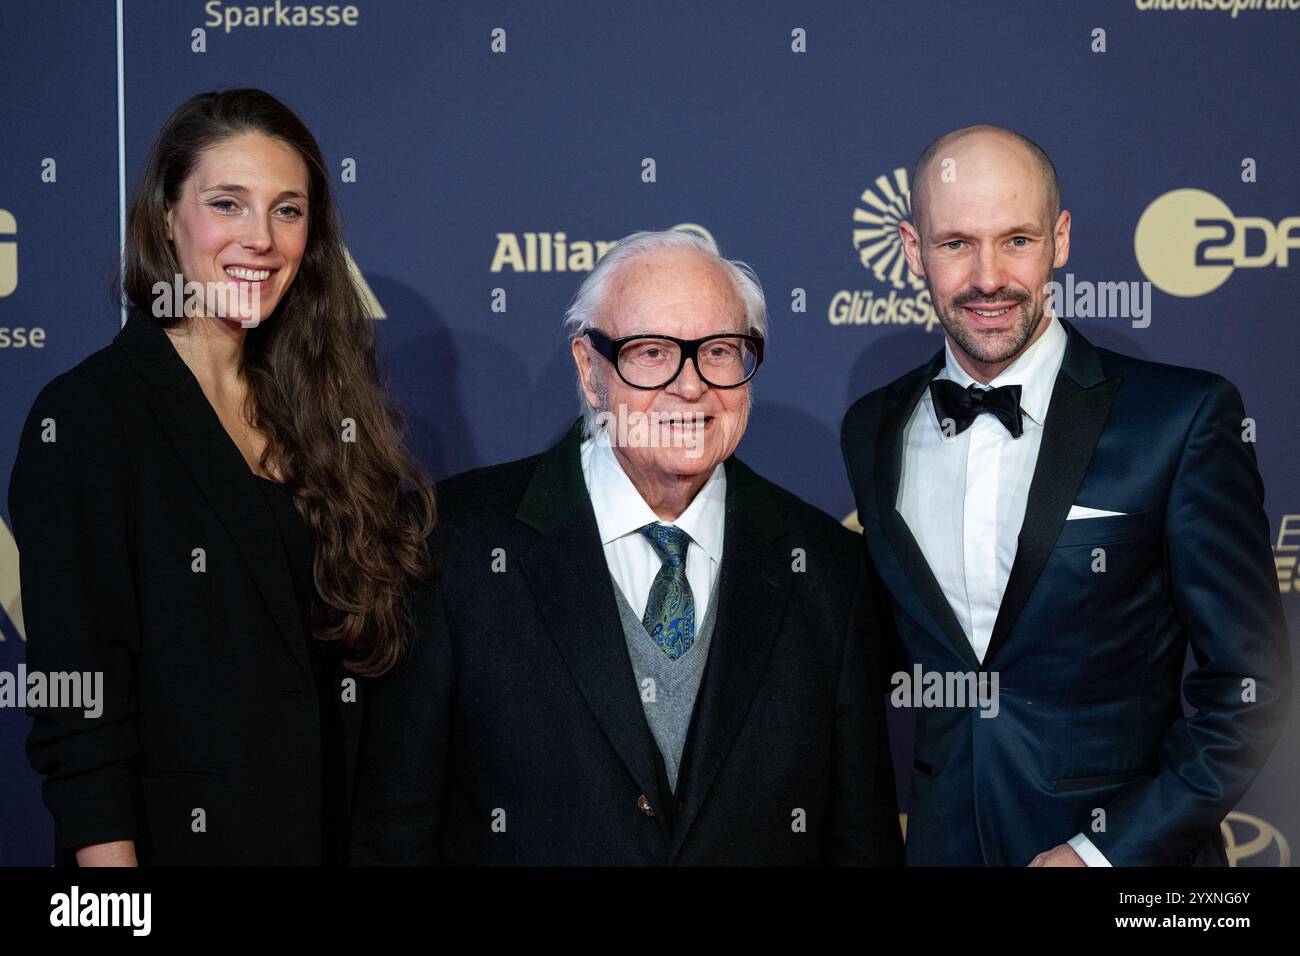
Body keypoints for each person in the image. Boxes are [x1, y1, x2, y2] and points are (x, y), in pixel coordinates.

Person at [351, 230, 902, 865]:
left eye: (719, 351)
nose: (690, 386)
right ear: (590, 370)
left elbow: (863, 846)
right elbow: (394, 834)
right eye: (651, 352)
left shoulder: (829, 569)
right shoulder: (453, 545)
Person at [841, 125, 1291, 866]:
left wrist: (1102, 853)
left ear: (1062, 238)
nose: (989, 277)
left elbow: (1252, 686)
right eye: (956, 243)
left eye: (1016, 240)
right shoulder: (873, 429)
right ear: (911, 248)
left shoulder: (1180, 419)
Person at [9, 88, 435, 866]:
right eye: (227, 204)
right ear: (167, 217)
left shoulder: (320, 407)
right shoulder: (88, 415)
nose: (261, 239)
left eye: (287, 211)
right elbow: (80, 712)